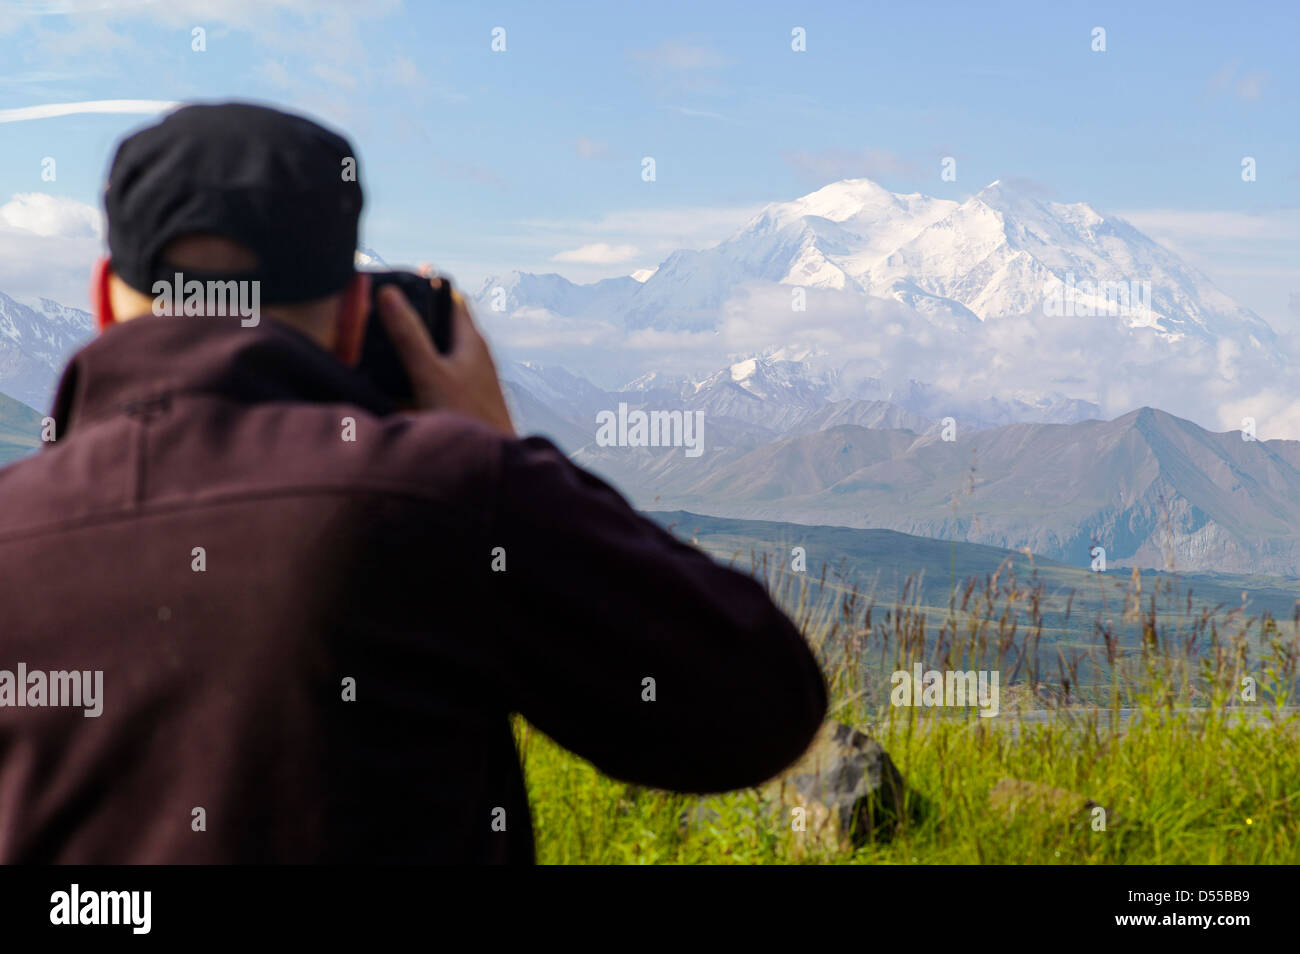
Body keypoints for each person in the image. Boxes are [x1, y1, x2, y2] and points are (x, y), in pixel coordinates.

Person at [0, 102, 827, 863]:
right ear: (360, 314)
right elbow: (760, 707)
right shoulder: (446, 493)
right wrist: (502, 455)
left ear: (104, 301)